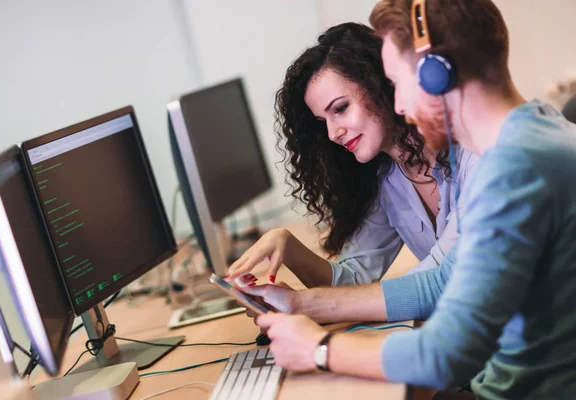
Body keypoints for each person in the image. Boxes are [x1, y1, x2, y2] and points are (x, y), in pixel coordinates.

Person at [239, 1, 576, 398]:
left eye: (397, 83)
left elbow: (443, 351)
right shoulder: (532, 138)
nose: (398, 104)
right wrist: (302, 305)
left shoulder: (513, 169)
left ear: (437, 74)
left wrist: (318, 348)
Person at [227, 22, 477, 288]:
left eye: (341, 108)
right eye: (323, 121)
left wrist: (311, 305)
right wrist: (289, 249)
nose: (333, 134)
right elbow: (354, 279)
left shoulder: (474, 152)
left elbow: (441, 278)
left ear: (382, 84)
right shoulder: (386, 179)